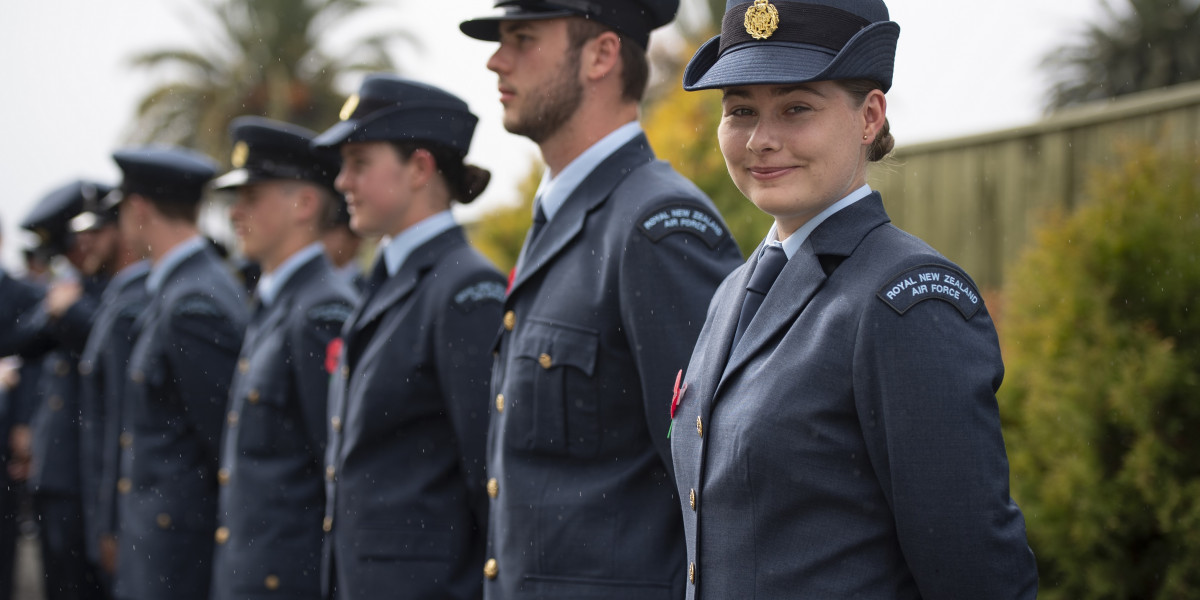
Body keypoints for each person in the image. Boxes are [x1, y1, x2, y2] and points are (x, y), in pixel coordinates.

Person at [668, 1, 1040, 598]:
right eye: (741, 110)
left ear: (869, 117)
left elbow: (974, 569)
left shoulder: (905, 299)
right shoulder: (733, 294)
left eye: (796, 108)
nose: (762, 139)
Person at [459, 2, 743, 597]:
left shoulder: (657, 226)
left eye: (524, 38)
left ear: (602, 55)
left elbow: (717, 486)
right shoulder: (562, 221)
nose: (496, 60)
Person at [312, 75, 506, 600]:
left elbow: (488, 478)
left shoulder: (466, 287)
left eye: (359, 163)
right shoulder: (391, 280)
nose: (342, 183)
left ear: (419, 168)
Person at [209, 116, 358, 599]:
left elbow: (333, 469)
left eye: (251, 198)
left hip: (288, 579)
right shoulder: (278, 300)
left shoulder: (321, 311)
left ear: (305, 203)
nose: (235, 214)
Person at [106, 147, 247, 600]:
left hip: (179, 548)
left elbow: (223, 440)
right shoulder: (184, 286)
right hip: (165, 540)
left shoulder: (193, 301)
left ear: (139, 209)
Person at [17, 180, 111, 600]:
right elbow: (23, 340)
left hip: (82, 476)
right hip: (54, 471)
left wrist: (73, 311)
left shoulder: (107, 291)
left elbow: (109, 348)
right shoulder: (73, 288)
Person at [71, 190, 149, 594]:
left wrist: (110, 525)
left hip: (124, 516)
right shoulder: (115, 296)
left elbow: (121, 424)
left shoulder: (131, 303)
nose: (86, 243)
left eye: (98, 232)